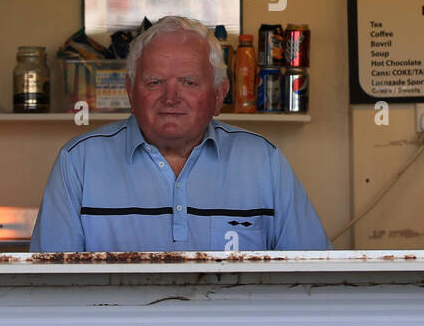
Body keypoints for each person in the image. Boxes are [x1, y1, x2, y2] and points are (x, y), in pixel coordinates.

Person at [29, 15, 331, 252]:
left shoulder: (263, 161)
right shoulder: (78, 162)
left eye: (189, 82)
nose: (171, 98)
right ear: (130, 93)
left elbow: (315, 278)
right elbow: (45, 288)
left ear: (218, 95)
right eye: (154, 82)